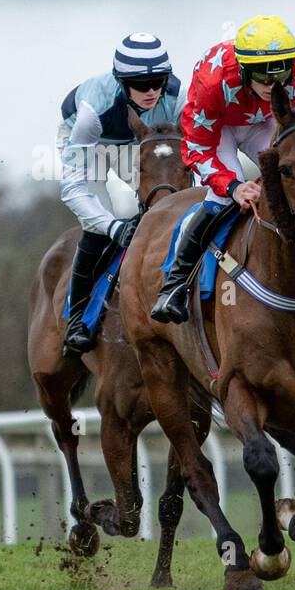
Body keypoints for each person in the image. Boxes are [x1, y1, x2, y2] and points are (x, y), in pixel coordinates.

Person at [149, 15, 295, 324]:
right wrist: (233, 187)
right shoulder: (212, 82)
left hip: (268, 122)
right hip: (219, 130)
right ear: (244, 70)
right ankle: (175, 285)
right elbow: (196, 148)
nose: (273, 84)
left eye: (282, 75)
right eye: (262, 77)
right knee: (222, 200)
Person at [57, 32, 184, 355]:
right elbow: (74, 188)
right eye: (142, 85)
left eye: (158, 81)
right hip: (91, 144)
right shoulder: (92, 110)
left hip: (140, 144)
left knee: (162, 204)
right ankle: (79, 318)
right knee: (104, 220)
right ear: (122, 82)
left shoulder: (177, 97)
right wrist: (113, 227)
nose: (152, 91)